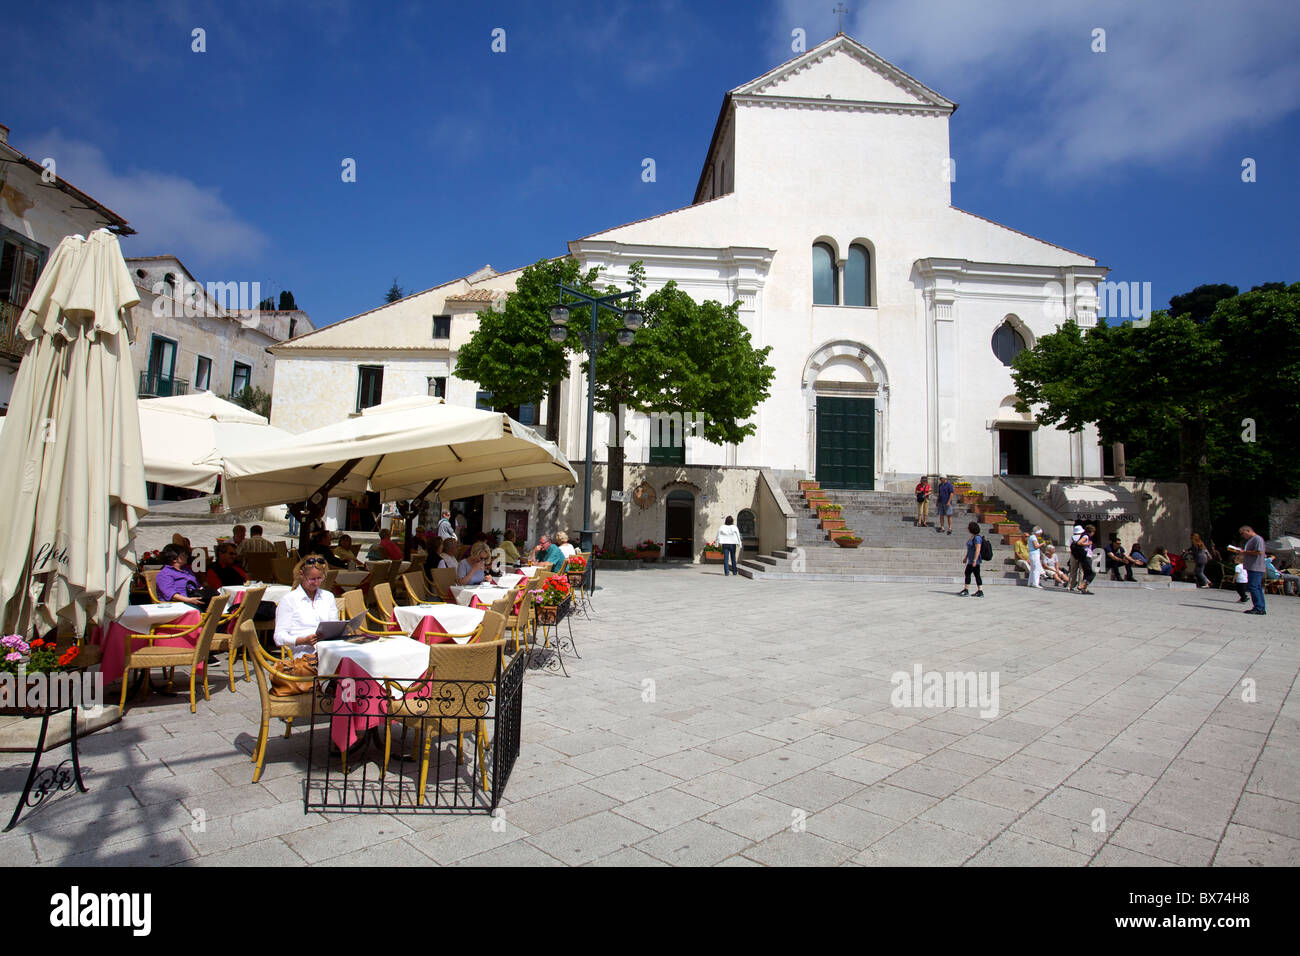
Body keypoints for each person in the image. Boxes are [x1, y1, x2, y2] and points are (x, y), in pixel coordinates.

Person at [274, 557, 339, 657]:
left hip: (327, 648)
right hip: (303, 654)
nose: (317, 583)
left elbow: (334, 625)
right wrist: (302, 640)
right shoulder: (289, 600)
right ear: (301, 575)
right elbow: (279, 637)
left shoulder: (328, 596)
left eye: (319, 578)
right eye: (312, 579)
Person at [1234, 525, 1267, 615]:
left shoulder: (1257, 539)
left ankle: (1258, 607)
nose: (1242, 536)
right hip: (1253, 566)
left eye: (1243, 533)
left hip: (1256, 567)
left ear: (1248, 531)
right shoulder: (1252, 540)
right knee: (1257, 587)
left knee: (1254, 587)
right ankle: (1260, 607)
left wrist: (1244, 552)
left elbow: (1259, 552)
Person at [959, 521, 985, 597]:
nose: (968, 528)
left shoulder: (977, 538)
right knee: (973, 574)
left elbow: (978, 549)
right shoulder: (972, 537)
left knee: (969, 573)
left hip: (974, 561)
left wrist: (974, 560)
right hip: (971, 560)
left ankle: (967, 590)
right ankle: (979, 590)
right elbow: (970, 549)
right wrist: (966, 557)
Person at [1070, 524, 1096, 594]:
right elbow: (1079, 543)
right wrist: (1087, 544)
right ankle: (1082, 586)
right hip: (1086, 556)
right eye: (1093, 532)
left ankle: (1085, 589)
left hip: (1085, 556)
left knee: (1087, 573)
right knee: (1092, 572)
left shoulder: (1085, 535)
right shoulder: (1086, 536)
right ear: (1092, 531)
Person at [1066, 520, 1086, 591]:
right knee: (1081, 571)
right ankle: (1080, 586)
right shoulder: (1083, 537)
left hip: (1073, 555)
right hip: (1081, 556)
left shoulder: (1072, 537)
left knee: (1073, 571)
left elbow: (1069, 547)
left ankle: (1070, 586)